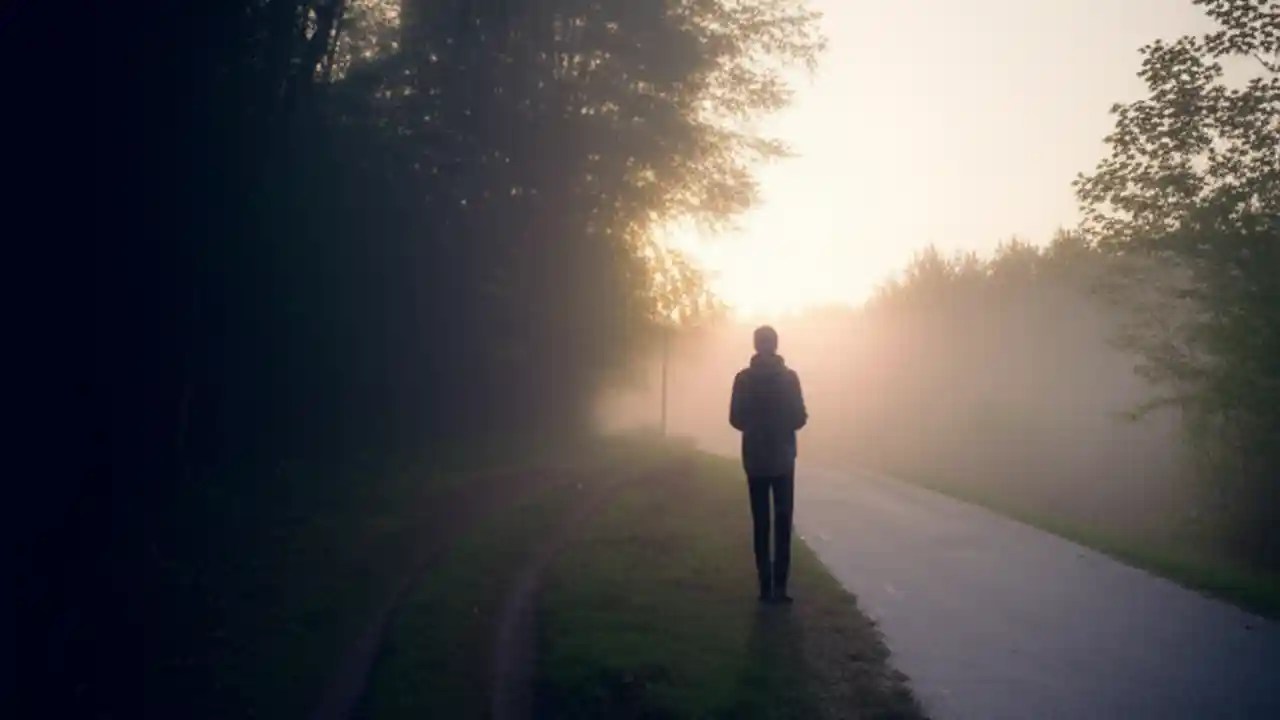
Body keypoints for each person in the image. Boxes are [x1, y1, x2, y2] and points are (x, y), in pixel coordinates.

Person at [729, 325, 807, 603]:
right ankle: (781, 587)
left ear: (755, 345)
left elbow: (735, 419)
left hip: (755, 458)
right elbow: (800, 418)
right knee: (783, 521)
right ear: (775, 345)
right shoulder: (790, 379)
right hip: (783, 457)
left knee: (761, 522)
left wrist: (755, 425)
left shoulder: (743, 379)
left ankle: (764, 586)